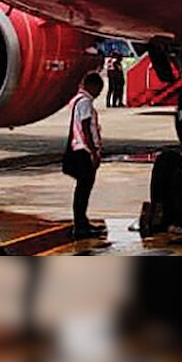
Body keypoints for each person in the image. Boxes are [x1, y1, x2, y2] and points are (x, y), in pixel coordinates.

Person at [62, 72, 105, 239]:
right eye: (99, 89)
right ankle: (81, 225)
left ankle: (82, 222)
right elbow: (86, 126)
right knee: (83, 190)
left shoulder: (78, 100)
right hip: (84, 150)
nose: (99, 93)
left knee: (82, 189)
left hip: (80, 149)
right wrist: (94, 151)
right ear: (92, 86)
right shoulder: (85, 102)